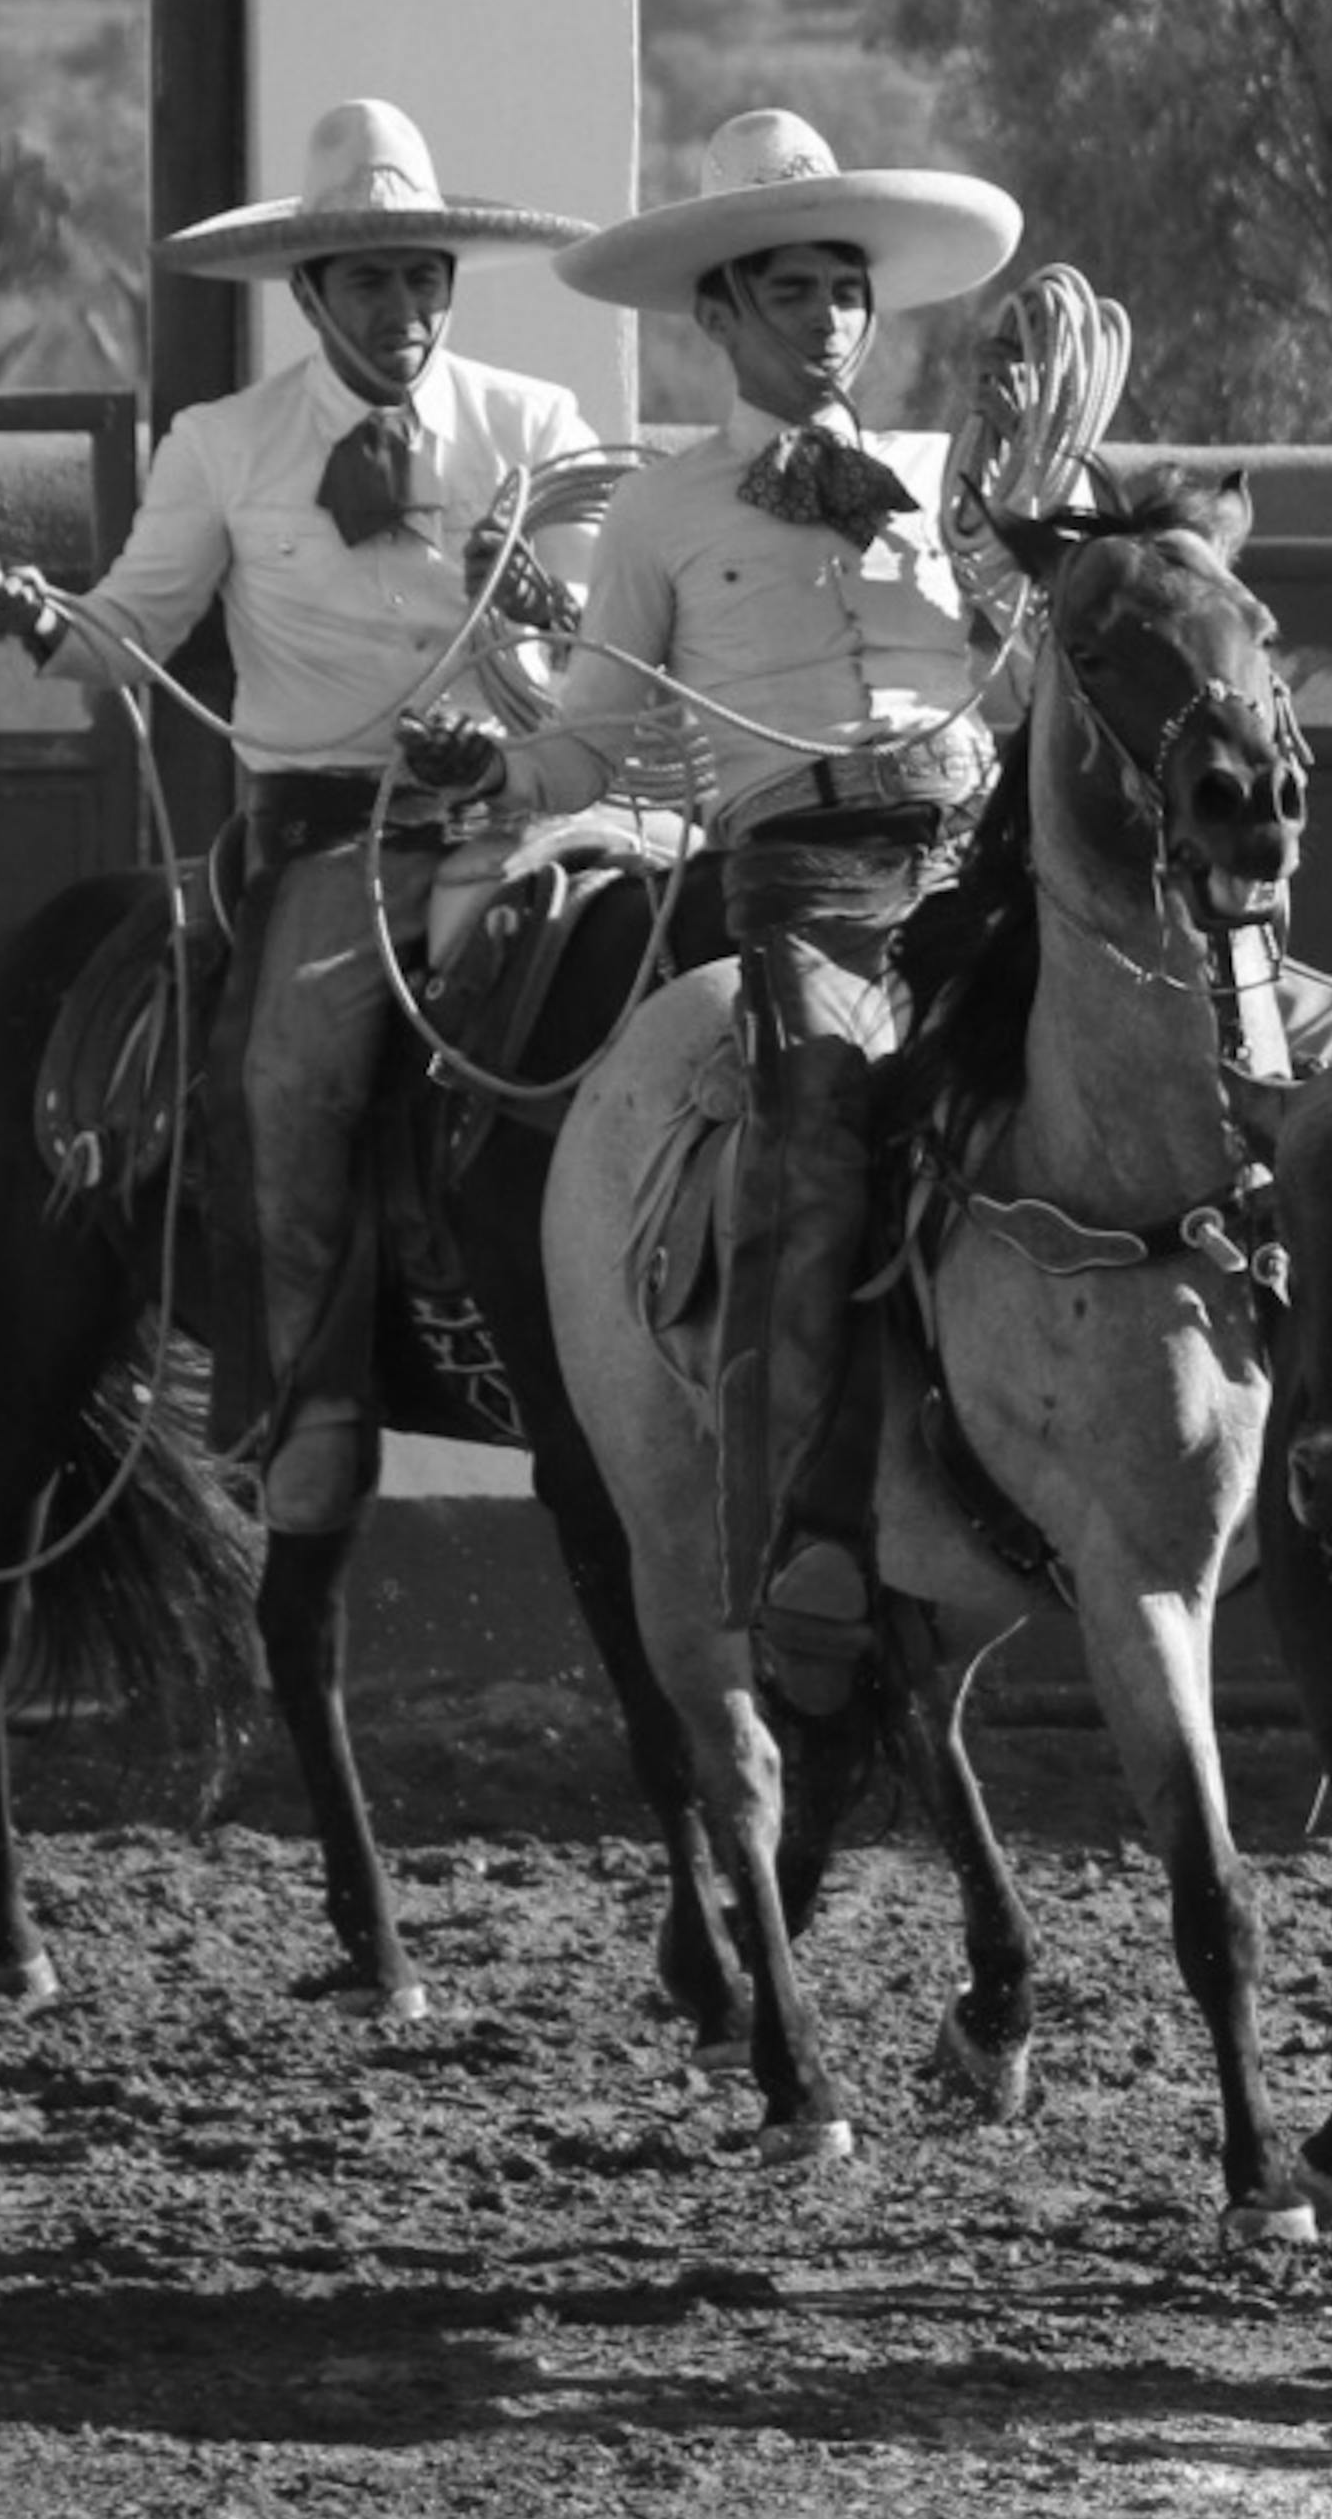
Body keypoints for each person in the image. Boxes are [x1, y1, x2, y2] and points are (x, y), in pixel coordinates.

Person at [479, 108, 1024, 1699]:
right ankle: (813, 1531)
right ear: (717, 313)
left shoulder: (956, 484)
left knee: (1217, 1037)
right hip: (800, 875)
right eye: (792, 291)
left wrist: (1029, 563)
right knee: (807, 1134)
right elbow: (588, 738)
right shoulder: (657, 513)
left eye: (847, 289)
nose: (832, 318)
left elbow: (1040, 675)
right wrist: (495, 771)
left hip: (987, 854)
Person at [39, 97, 603, 1528]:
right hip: (329, 835)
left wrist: (543, 650)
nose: (405, 304)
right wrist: (56, 622)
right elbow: (139, 618)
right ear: (309, 291)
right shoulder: (222, 444)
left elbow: (607, 635)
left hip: (528, 809)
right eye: (371, 278)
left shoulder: (538, 430)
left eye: (425, 274)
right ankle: (310, 1398)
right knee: (284, 1073)